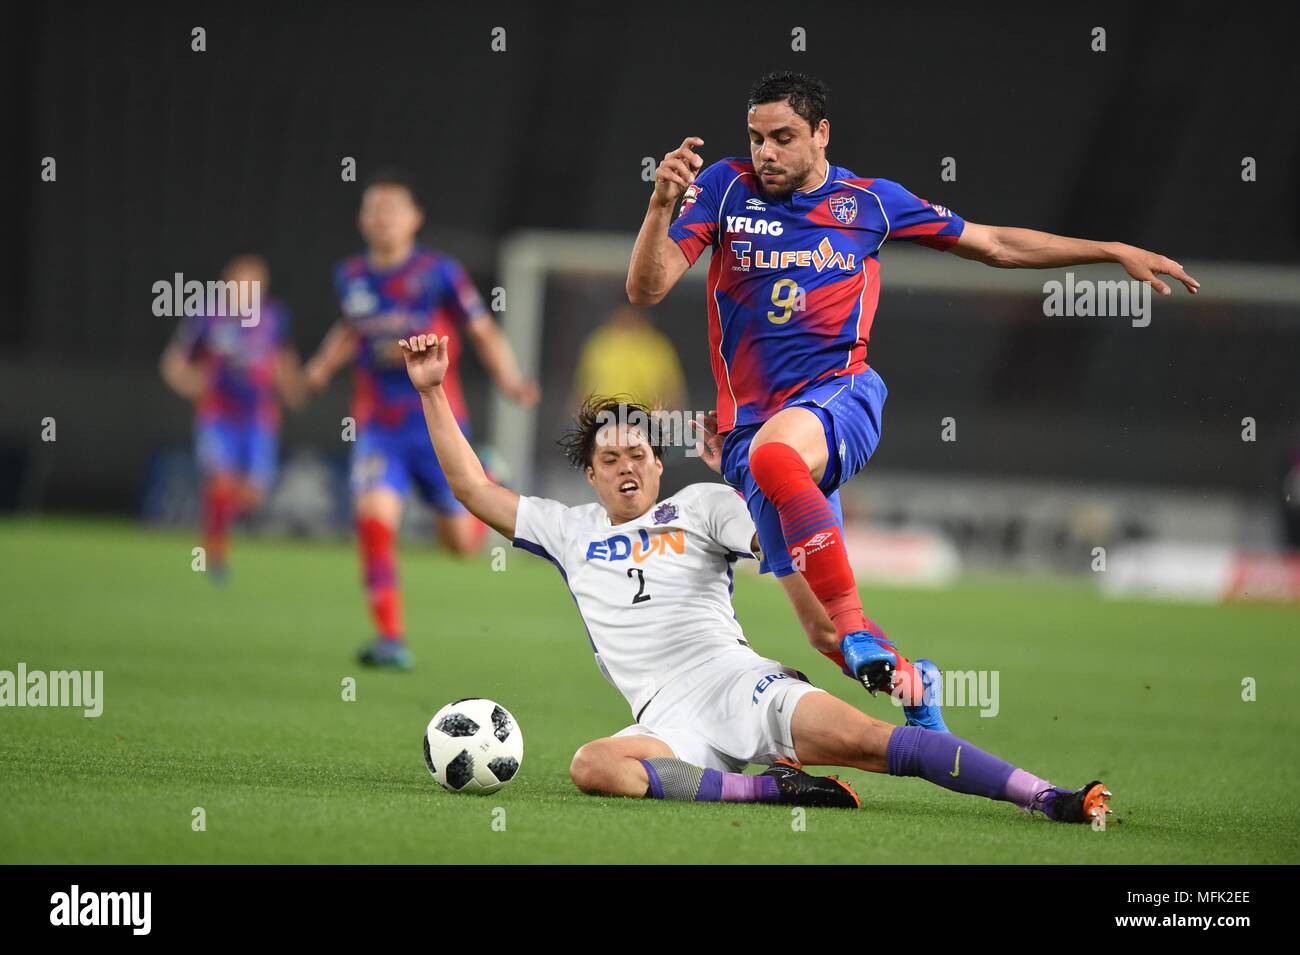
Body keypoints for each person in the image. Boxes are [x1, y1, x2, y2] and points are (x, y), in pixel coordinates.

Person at [626, 70, 1200, 715]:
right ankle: (914, 687)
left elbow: (995, 244)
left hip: (838, 396)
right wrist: (659, 208)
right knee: (820, 632)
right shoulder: (724, 188)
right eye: (757, 137)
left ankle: (862, 625)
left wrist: (1108, 249)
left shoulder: (870, 202)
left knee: (777, 462)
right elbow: (647, 289)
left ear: (821, 134)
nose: (767, 153)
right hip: (749, 430)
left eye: (784, 137)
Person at [392, 330, 1112, 824]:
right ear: (592, 473)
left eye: (638, 451)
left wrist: (744, 472)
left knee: (879, 745)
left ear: (657, 459)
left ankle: (1047, 795)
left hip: (742, 682)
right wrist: (432, 391)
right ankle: (769, 790)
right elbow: (473, 488)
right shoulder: (566, 528)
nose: (628, 465)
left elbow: (785, 534)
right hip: (667, 721)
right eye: (611, 458)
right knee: (594, 765)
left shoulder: (699, 506)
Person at [304, 172, 538, 669]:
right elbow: (350, 328)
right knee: (373, 521)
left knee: (459, 545)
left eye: (393, 210)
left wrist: (511, 380)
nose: (383, 219)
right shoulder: (350, 275)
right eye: (374, 210)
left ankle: (488, 474)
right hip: (378, 427)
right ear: (363, 220)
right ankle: (390, 637)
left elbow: (482, 330)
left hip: (437, 424)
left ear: (414, 219)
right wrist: (322, 366)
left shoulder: (438, 273)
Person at [160, 254, 304, 580]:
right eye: (240, 282)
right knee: (221, 481)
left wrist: (294, 387)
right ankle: (215, 552)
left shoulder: (273, 317)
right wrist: (189, 383)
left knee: (253, 495)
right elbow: (174, 362)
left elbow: (283, 358)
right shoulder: (208, 317)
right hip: (218, 416)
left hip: (259, 418)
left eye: (253, 283)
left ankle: (215, 516)